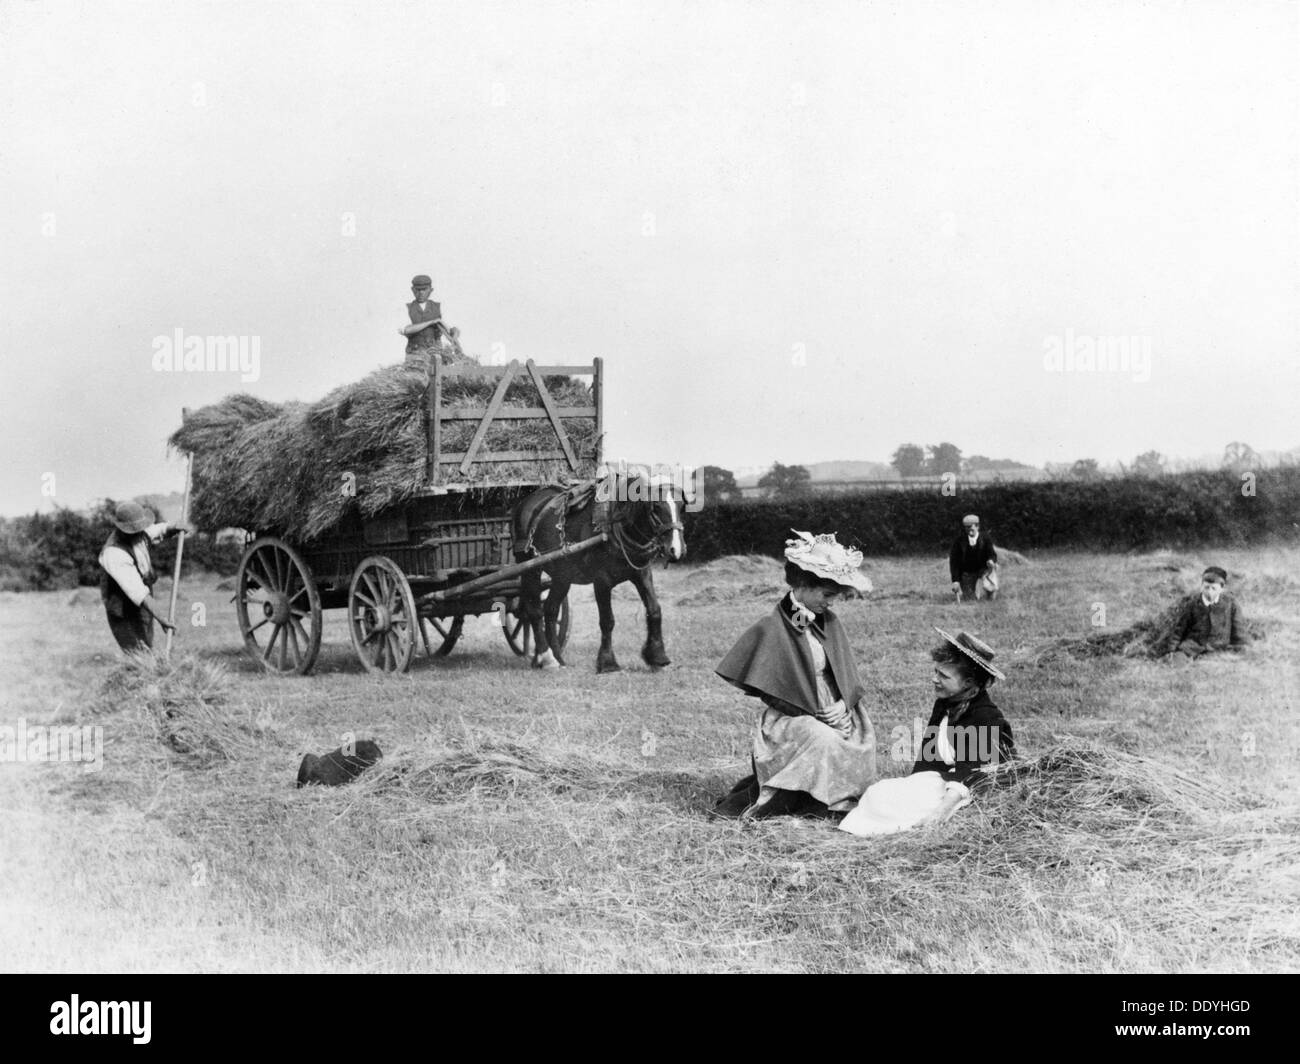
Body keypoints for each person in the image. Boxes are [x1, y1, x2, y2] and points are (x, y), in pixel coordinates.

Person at [713, 530, 877, 819]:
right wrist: (814, 713)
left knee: (860, 737)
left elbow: (844, 672)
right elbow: (771, 689)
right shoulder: (772, 627)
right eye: (826, 595)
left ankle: (836, 800)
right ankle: (805, 803)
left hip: (835, 709)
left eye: (834, 597)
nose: (830, 603)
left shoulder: (828, 621)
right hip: (791, 717)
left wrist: (843, 704)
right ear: (802, 584)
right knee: (822, 739)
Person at [839, 628, 1015, 836]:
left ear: (968, 683)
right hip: (944, 779)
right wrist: (911, 785)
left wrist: (940, 812)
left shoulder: (985, 717)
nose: (935, 679)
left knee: (891, 804)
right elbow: (928, 755)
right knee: (877, 792)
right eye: (935, 672)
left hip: (972, 788)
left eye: (944, 676)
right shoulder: (945, 704)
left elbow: (973, 772)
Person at [98, 501, 188, 654]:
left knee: (147, 641)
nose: (141, 530)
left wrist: (173, 527)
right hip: (122, 607)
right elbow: (139, 593)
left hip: (143, 599)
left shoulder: (140, 533)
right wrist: (162, 618)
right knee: (136, 652)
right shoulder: (114, 553)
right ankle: (139, 673)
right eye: (135, 529)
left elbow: (158, 530)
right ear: (123, 529)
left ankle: (149, 669)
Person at [1162, 566, 1250, 658]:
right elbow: (1179, 630)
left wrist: (1243, 647)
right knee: (1177, 660)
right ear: (1201, 586)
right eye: (1206, 587)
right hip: (1192, 648)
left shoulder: (1230, 604)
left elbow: (1239, 630)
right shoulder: (1193, 604)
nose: (1209, 592)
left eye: (1213, 588)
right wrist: (1171, 650)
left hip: (1218, 648)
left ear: (1222, 588)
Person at [399, 274, 455, 368]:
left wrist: (452, 331)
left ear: (431, 290)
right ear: (412, 290)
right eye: (418, 290)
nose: (421, 293)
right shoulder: (407, 308)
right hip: (414, 356)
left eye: (424, 289)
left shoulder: (439, 307)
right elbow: (406, 330)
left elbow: (449, 331)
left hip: (435, 355)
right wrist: (431, 322)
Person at [949, 513, 998, 602]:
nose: (968, 529)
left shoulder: (986, 538)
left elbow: (993, 554)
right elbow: (954, 562)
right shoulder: (959, 541)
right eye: (966, 527)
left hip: (984, 572)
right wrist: (955, 581)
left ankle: (990, 590)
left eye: (970, 526)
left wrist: (991, 560)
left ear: (977, 526)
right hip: (967, 573)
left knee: (989, 597)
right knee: (970, 599)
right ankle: (973, 591)